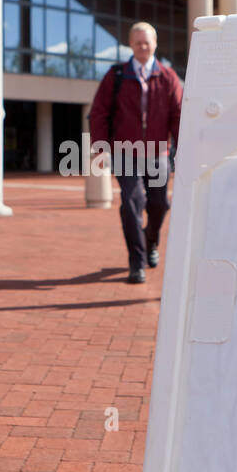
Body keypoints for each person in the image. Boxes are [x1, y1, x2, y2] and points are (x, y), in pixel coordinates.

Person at [87, 21, 183, 284]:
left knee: (159, 204)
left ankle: (151, 242)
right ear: (130, 44)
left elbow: (178, 115)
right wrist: (100, 146)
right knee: (131, 204)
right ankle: (136, 262)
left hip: (158, 153)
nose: (143, 46)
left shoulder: (168, 77)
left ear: (155, 44)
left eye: (147, 41)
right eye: (138, 41)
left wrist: (182, 150)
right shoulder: (116, 75)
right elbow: (99, 113)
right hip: (125, 153)